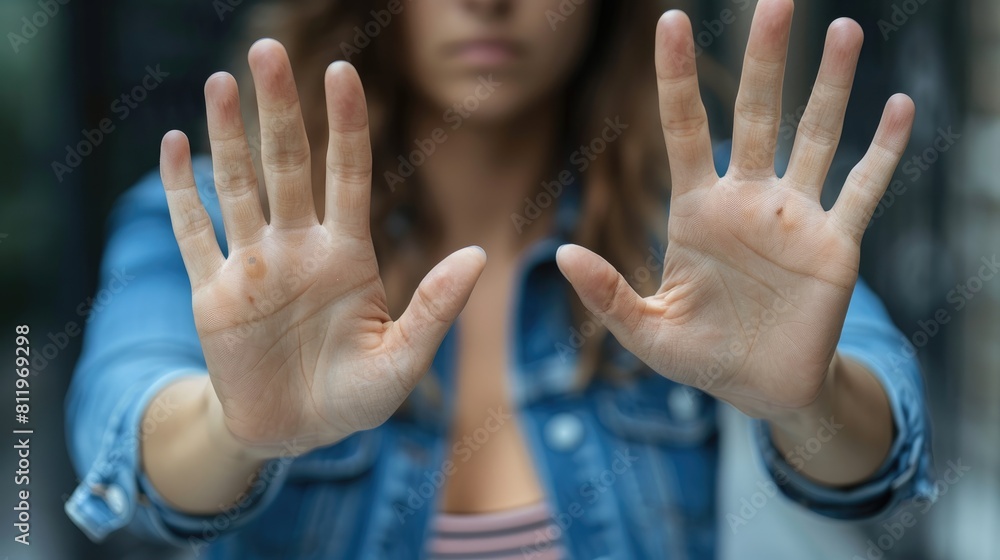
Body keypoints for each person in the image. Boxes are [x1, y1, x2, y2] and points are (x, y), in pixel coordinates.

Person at [65, 0, 935, 557]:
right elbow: (122, 411)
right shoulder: (223, 227)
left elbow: (877, 441)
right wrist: (232, 431)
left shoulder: (720, 214)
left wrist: (806, 400)